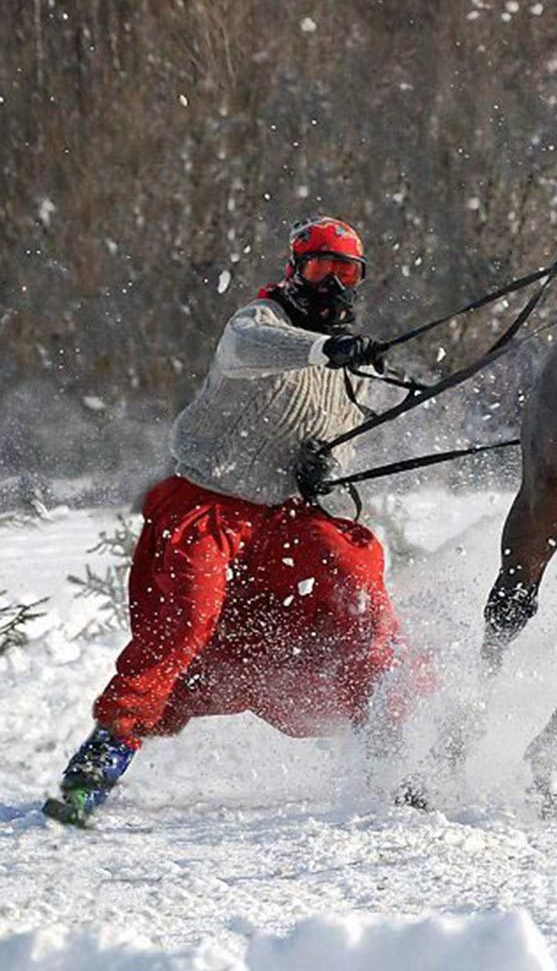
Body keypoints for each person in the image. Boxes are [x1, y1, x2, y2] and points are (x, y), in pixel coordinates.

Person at [45, 217, 429, 826]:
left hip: (284, 518)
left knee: (357, 580)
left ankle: (388, 749)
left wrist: (324, 466)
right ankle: (105, 753)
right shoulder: (257, 324)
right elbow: (253, 353)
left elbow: (342, 446)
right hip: (209, 506)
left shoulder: (353, 366)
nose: (331, 284)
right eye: (319, 267)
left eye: (346, 272)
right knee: (187, 618)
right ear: (293, 269)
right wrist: (323, 350)